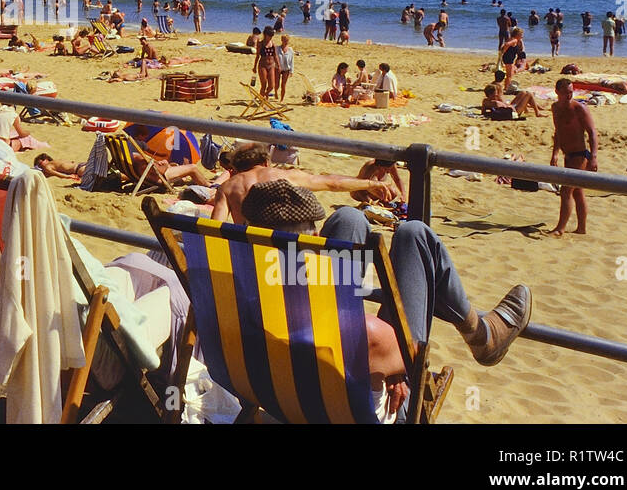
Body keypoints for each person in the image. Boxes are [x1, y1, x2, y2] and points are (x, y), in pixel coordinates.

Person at [238, 180, 532, 420]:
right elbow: (397, 356)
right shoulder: (366, 334)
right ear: (315, 237)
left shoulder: (225, 290)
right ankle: (481, 335)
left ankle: (480, 334)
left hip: (281, 393)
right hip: (353, 405)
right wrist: (393, 369)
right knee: (414, 236)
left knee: (348, 219)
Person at [210, 142, 398, 224]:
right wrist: (371, 184)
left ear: (237, 166)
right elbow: (334, 184)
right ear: (266, 162)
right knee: (347, 217)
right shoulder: (286, 175)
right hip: (286, 254)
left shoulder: (228, 187)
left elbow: (214, 229)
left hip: (249, 251)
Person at [549, 78, 597, 237]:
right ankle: (581, 228)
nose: (569, 95)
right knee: (577, 192)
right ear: (557, 92)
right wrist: (555, 153)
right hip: (567, 155)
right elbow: (558, 132)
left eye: (571, 92)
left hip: (580, 155)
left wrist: (593, 157)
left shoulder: (579, 109)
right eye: (565, 93)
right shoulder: (555, 108)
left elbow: (592, 133)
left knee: (566, 190)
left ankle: (560, 228)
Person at [252, 26, 279, 98]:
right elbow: (257, 56)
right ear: (265, 35)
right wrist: (254, 67)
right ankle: (263, 100)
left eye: (271, 36)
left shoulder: (272, 44)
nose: (270, 37)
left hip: (271, 65)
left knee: (271, 86)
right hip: (262, 65)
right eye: (269, 36)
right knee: (264, 84)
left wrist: (278, 65)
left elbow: (275, 55)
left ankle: (265, 95)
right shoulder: (260, 44)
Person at [275, 35, 294, 102]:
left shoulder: (290, 50)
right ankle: (275, 92)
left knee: (283, 85)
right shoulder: (277, 48)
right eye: (284, 40)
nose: (285, 42)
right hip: (277, 68)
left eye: (287, 40)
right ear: (281, 40)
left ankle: (282, 99)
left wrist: (292, 71)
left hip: (286, 69)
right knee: (276, 84)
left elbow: (292, 61)